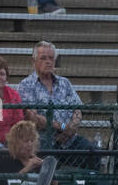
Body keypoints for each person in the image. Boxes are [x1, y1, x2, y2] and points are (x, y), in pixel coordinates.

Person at [17, 41, 98, 170]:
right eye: (43, 58)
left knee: (93, 152)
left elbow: (77, 109)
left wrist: (71, 127)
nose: (48, 62)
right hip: (43, 141)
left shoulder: (65, 83)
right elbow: (33, 117)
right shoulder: (26, 85)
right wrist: (63, 127)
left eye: (51, 58)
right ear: (34, 61)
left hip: (70, 138)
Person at [0, 119, 63, 185]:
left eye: (32, 140)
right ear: (16, 143)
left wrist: (51, 172)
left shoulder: (40, 159)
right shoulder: (6, 159)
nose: (30, 144)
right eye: (26, 141)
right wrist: (27, 169)